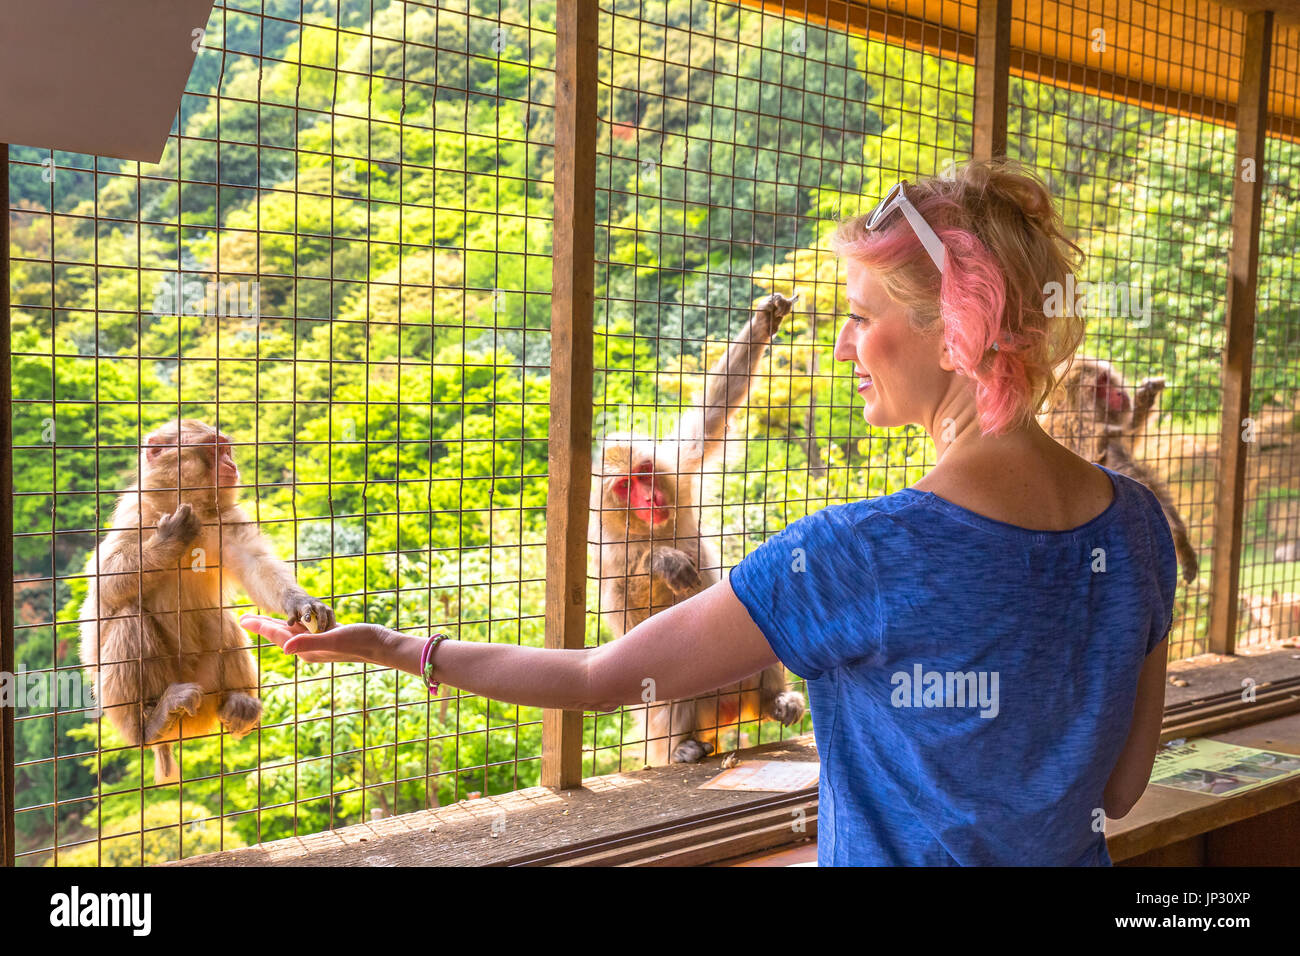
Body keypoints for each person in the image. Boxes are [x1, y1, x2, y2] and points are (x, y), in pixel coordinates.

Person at [243, 157, 1177, 866]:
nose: (845, 345)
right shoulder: (1136, 529)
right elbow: (1124, 786)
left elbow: (599, 678)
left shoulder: (856, 553)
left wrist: (404, 648)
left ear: (955, 331)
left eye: (861, 315)